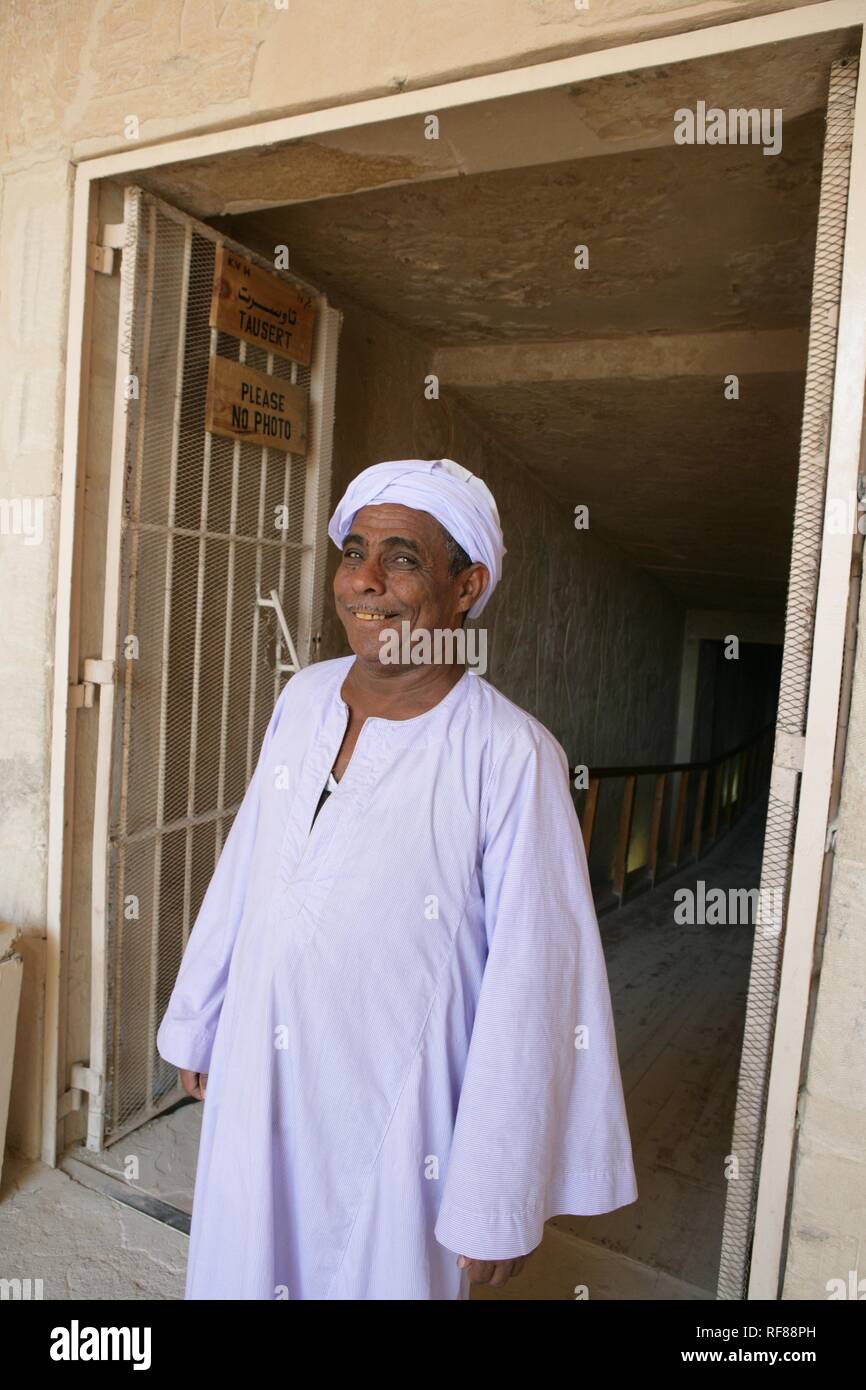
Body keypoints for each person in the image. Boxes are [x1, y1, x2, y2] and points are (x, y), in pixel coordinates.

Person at [156, 456, 637, 1300]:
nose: (366, 581)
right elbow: (251, 863)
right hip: (262, 1068)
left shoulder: (510, 755)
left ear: (466, 585)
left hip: (396, 1111)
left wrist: (498, 1193)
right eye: (354, 551)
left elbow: (535, 986)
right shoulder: (303, 698)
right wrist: (202, 1014)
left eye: (403, 558)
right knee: (240, 1257)